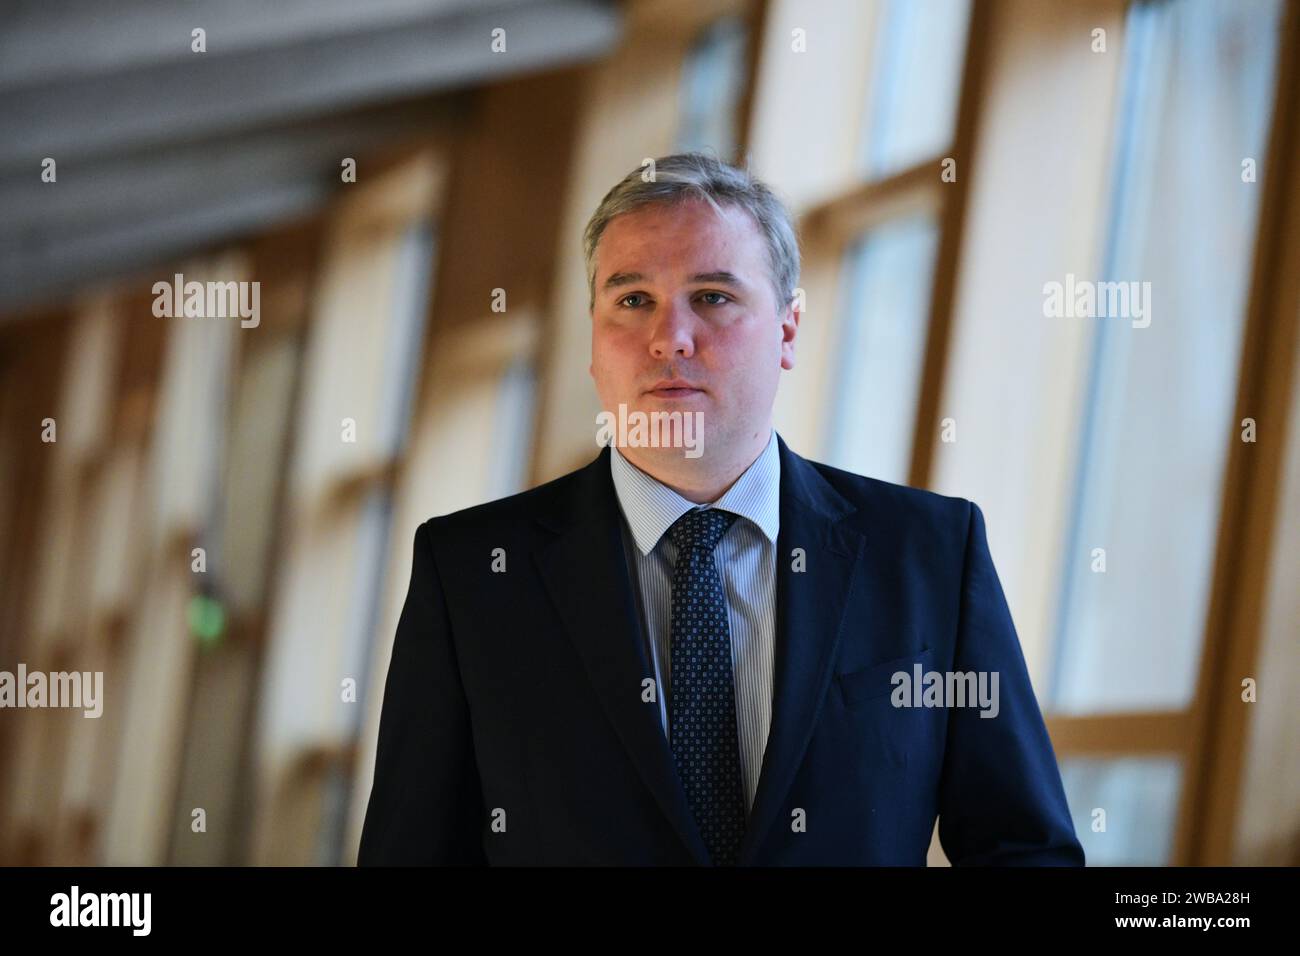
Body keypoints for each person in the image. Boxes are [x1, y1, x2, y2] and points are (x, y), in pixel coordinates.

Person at [357, 152, 1084, 866]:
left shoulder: (928, 552)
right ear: (593, 339)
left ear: (789, 330)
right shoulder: (474, 573)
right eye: (632, 300)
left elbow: (1024, 849)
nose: (669, 337)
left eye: (712, 297)